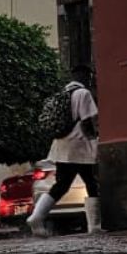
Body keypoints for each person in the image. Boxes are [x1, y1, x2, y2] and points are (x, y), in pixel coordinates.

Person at [27, 64, 101, 237]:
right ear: (86, 76)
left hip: (61, 147)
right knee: (91, 182)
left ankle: (37, 216)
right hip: (79, 147)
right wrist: (95, 142)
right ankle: (95, 226)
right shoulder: (84, 94)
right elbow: (86, 122)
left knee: (62, 184)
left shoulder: (63, 94)